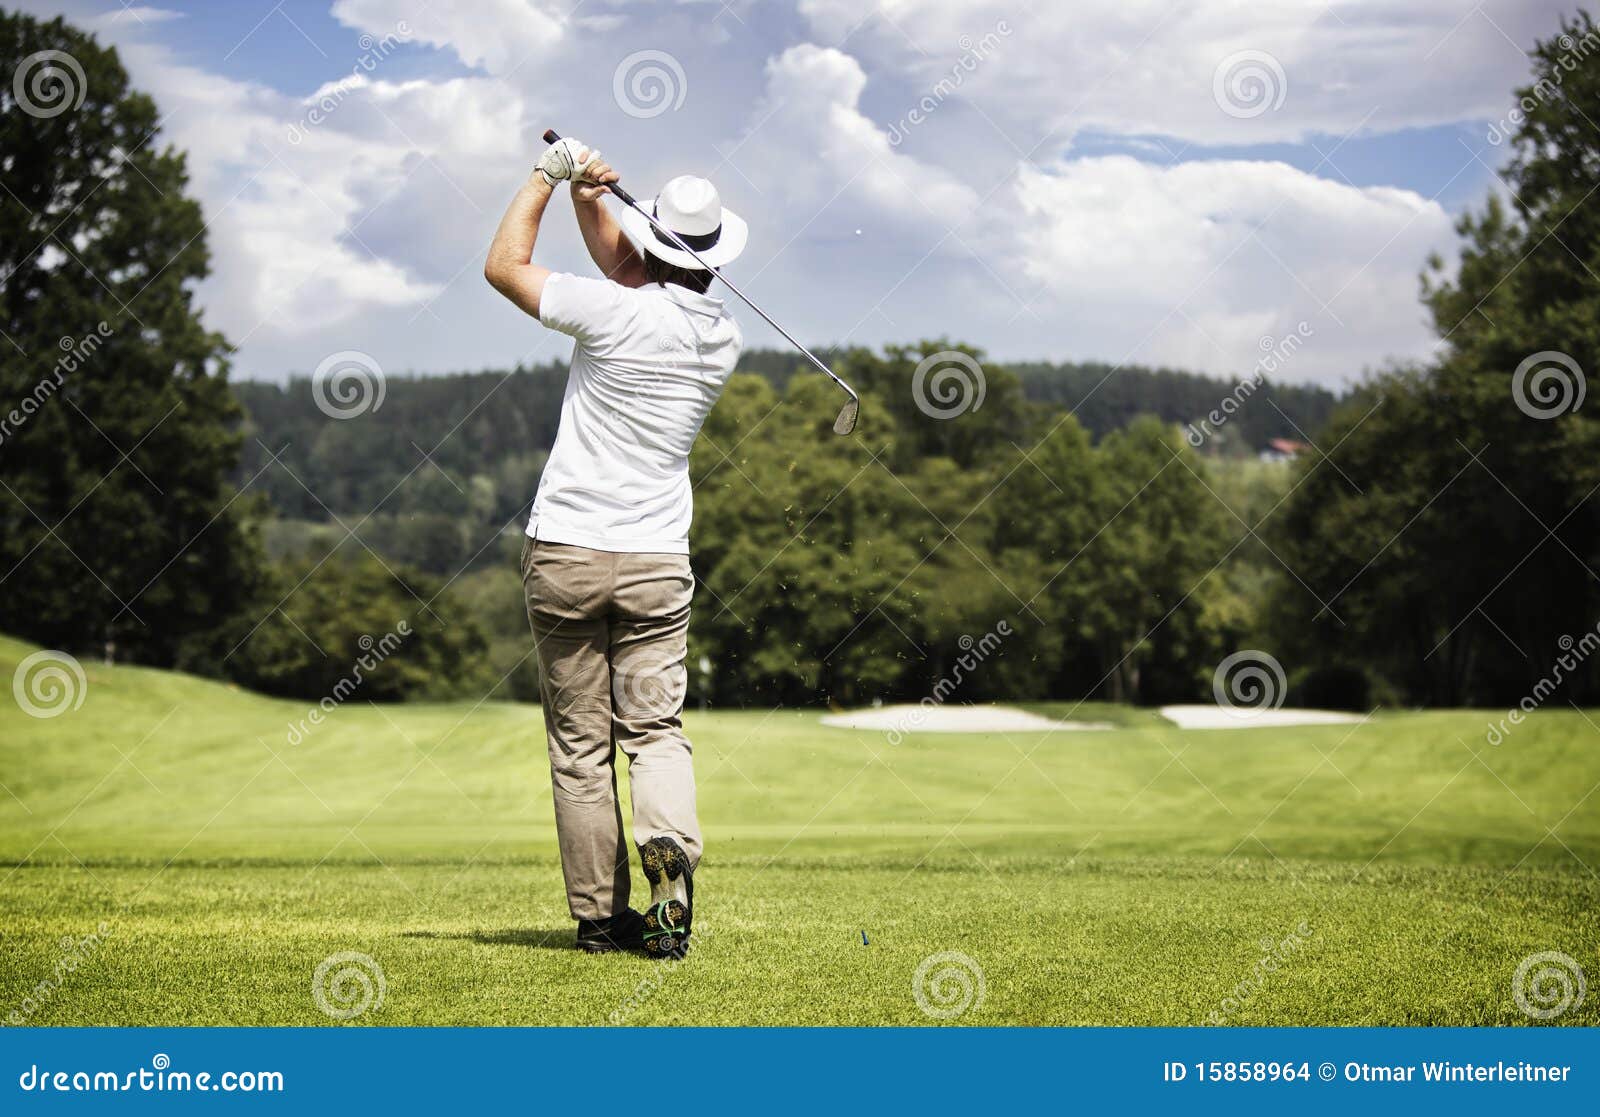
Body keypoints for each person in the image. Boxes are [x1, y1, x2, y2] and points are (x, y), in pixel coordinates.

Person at [484, 137, 746, 959]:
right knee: (655, 731)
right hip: (656, 562)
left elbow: (504, 266)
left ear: (654, 240)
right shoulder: (723, 339)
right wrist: (590, 198)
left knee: (579, 745)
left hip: (565, 550)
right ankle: (670, 854)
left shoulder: (614, 310)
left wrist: (547, 177)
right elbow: (633, 274)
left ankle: (600, 916)